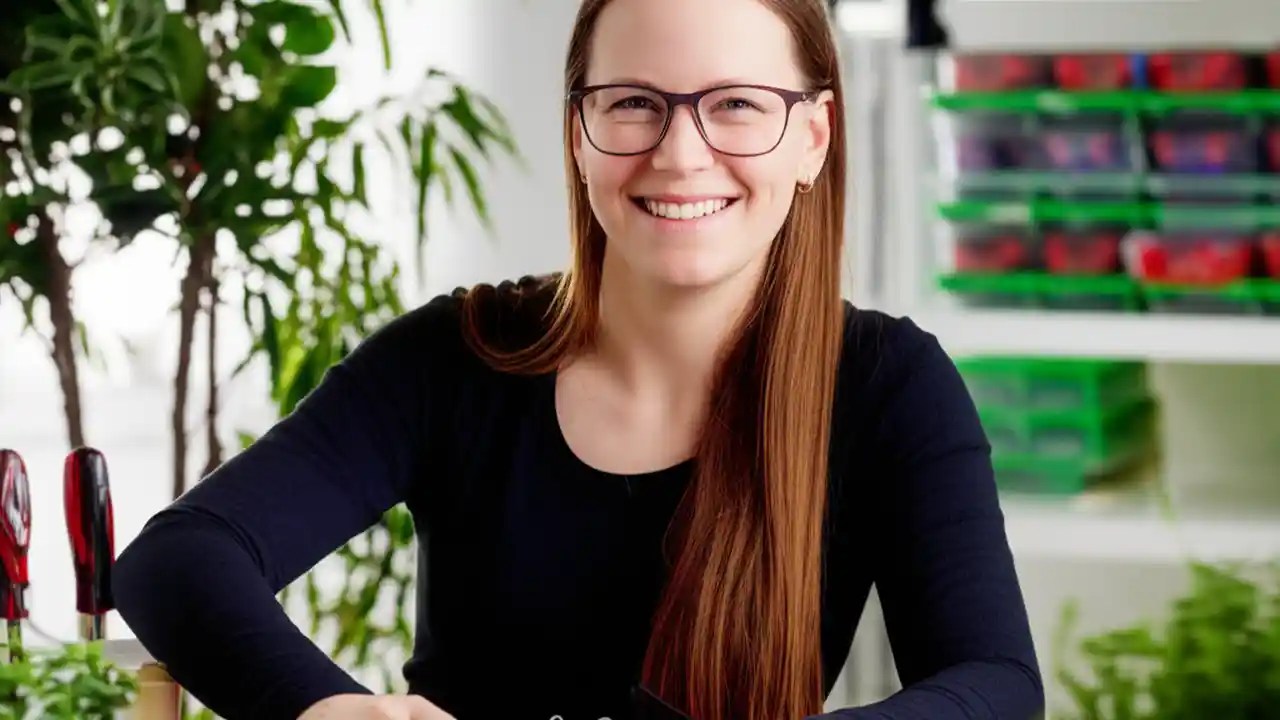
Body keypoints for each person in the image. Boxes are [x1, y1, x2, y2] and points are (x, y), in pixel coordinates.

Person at [112, 0, 1045, 718]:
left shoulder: (888, 382)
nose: (683, 155)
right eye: (634, 103)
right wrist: (329, 707)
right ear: (577, 133)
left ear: (812, 137)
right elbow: (182, 558)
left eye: (737, 106)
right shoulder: (459, 355)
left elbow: (995, 683)